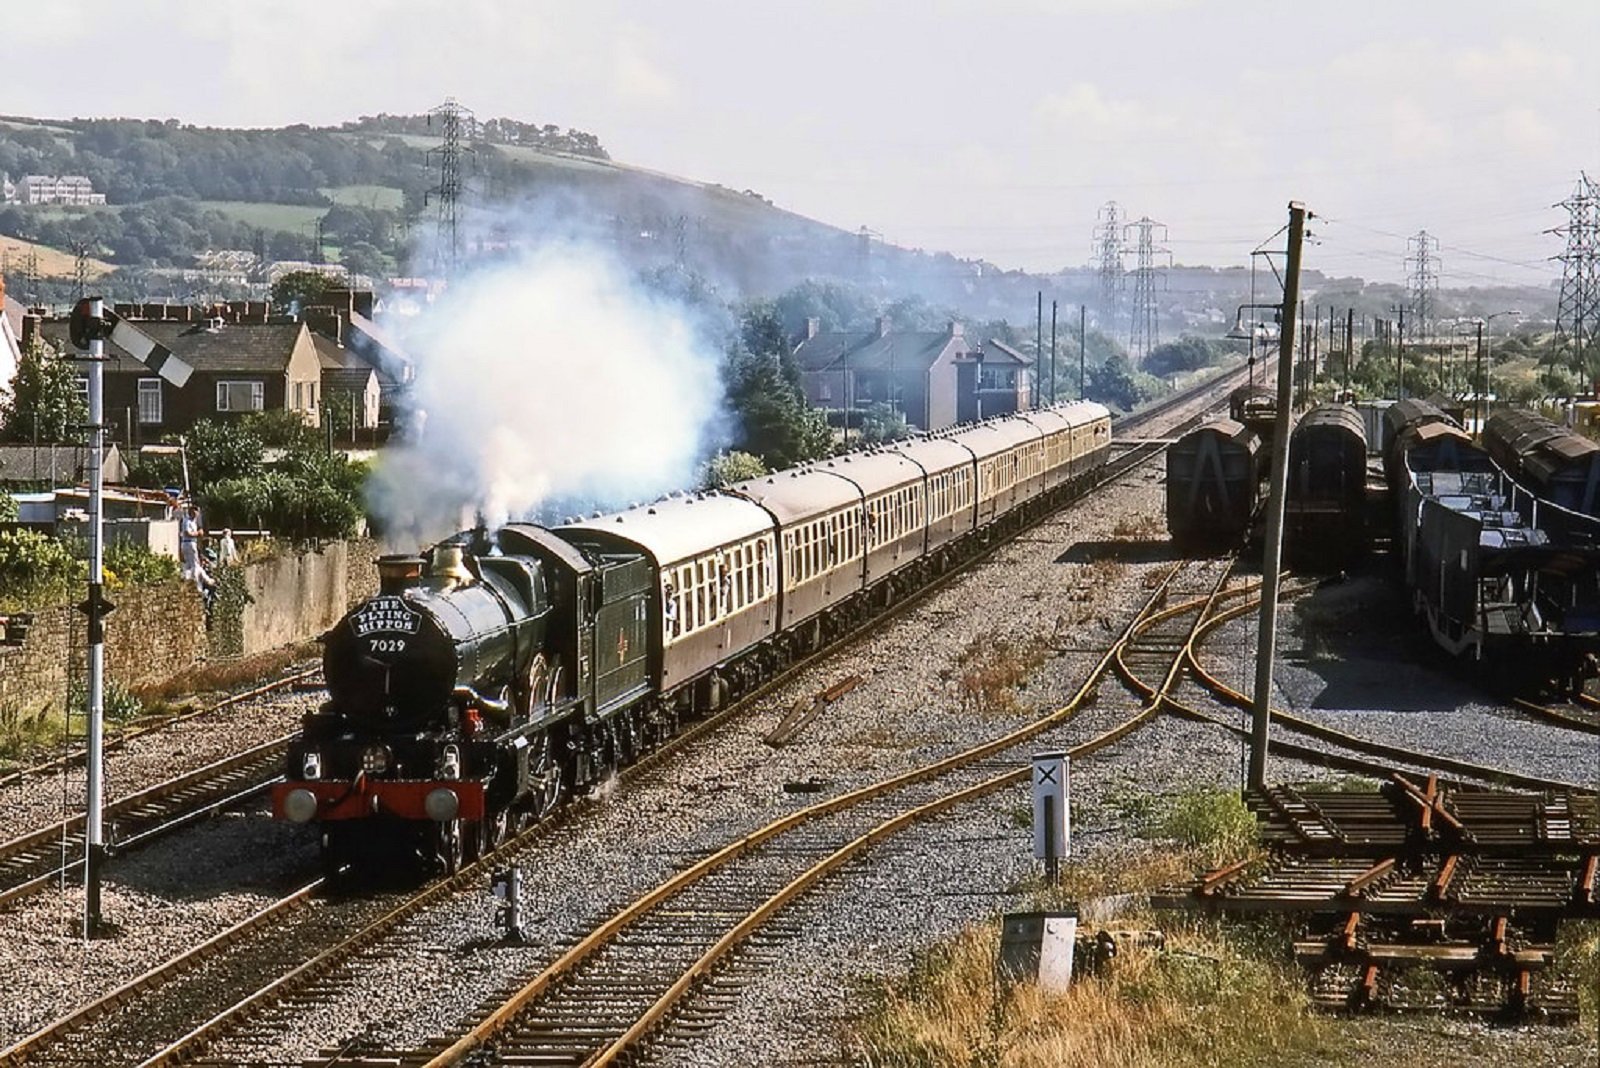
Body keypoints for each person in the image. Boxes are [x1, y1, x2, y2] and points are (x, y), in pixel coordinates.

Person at [178, 505, 204, 586]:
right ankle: (196, 582)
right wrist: (197, 533)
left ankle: (186, 580)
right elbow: (187, 533)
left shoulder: (194, 522)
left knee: (188, 564)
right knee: (195, 563)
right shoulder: (187, 521)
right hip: (189, 542)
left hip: (191, 542)